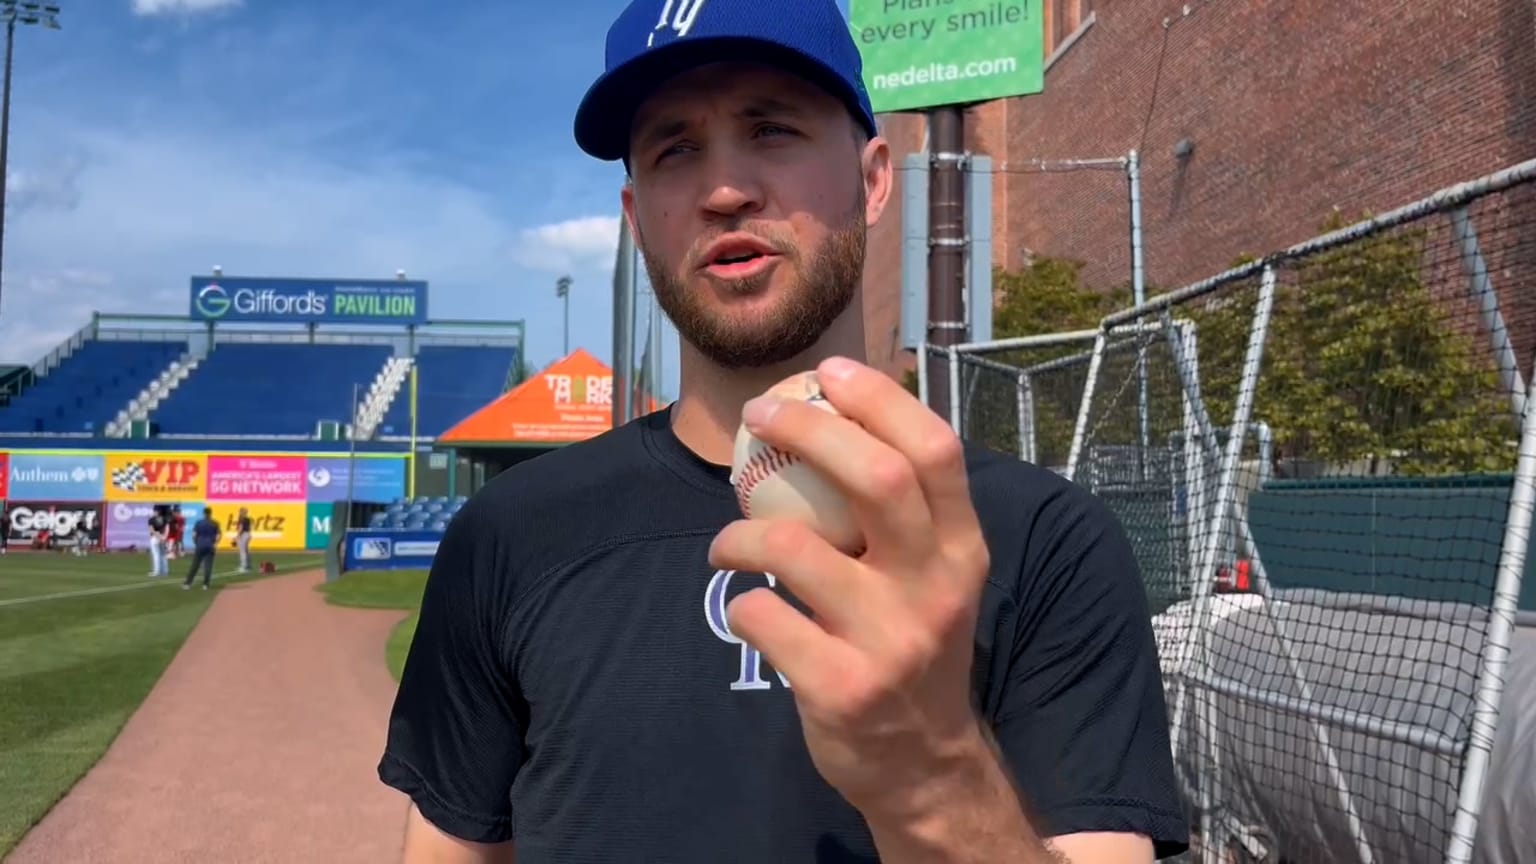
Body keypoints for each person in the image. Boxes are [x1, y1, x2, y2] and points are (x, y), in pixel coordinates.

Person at [377, 1, 1189, 861]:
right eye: (675, 149)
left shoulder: (1047, 540)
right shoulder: (512, 534)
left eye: (771, 129)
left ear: (874, 181)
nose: (725, 190)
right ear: (636, 217)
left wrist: (933, 781)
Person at [182, 507, 221, 591]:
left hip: (200, 545)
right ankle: (205, 585)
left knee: (195, 565)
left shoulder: (199, 523)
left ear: (203, 513)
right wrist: (215, 544)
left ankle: (187, 583)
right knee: (208, 566)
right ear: (210, 513)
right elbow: (218, 535)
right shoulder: (215, 523)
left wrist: (196, 543)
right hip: (210, 545)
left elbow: (194, 535)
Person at [147, 505, 170, 577]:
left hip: (155, 538)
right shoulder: (164, 519)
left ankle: (156, 571)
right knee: (163, 555)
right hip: (162, 537)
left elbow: (152, 530)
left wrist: (159, 537)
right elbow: (167, 528)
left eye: (154, 511)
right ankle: (165, 571)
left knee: (156, 555)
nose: (154, 512)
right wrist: (164, 537)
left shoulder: (151, 519)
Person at [235, 507, 253, 573]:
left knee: (242, 551)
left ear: (242, 512)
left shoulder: (241, 519)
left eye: (240, 511)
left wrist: (238, 535)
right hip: (248, 534)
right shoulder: (247, 519)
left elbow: (241, 528)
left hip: (243, 534)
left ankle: (243, 567)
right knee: (246, 551)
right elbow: (249, 527)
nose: (239, 512)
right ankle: (248, 566)